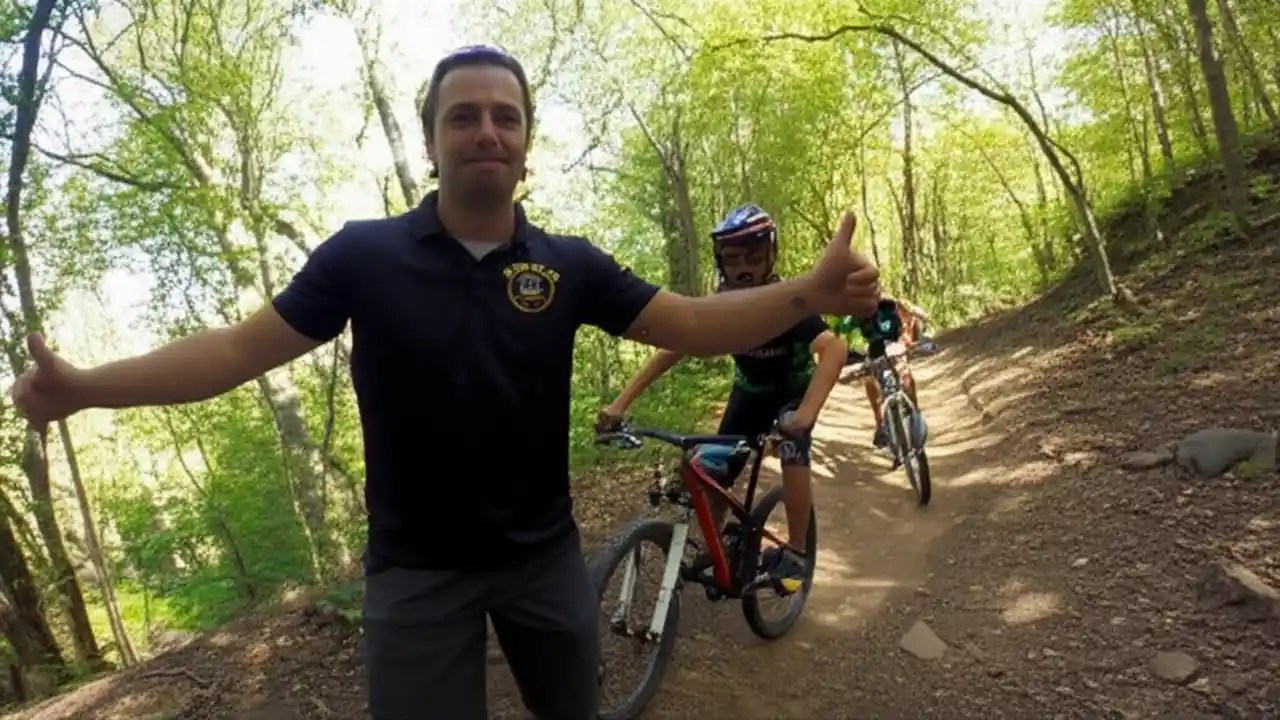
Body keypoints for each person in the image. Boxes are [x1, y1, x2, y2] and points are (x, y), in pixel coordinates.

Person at [8, 44, 881, 720]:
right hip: (413, 574)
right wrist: (87, 386)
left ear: (526, 145)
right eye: (463, 117)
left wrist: (808, 293)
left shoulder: (569, 266)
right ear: (432, 141)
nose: (486, 131)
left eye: (505, 116)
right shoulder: (363, 256)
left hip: (544, 559)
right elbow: (238, 352)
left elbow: (691, 323)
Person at [597, 204, 847, 593]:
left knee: (793, 450)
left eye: (753, 256)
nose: (743, 267)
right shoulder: (721, 306)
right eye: (733, 259)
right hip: (748, 396)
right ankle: (722, 547)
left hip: (791, 396)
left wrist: (805, 417)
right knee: (704, 470)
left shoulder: (785, 302)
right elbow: (671, 348)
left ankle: (796, 553)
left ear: (770, 256)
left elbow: (834, 349)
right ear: (721, 262)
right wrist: (619, 403)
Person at [834, 297, 933, 449]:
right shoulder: (857, 313)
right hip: (876, 351)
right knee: (872, 379)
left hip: (891, 347)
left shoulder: (889, 306)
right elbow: (843, 329)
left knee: (902, 374)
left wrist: (908, 338)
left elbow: (906, 322)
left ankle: (912, 413)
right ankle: (882, 423)